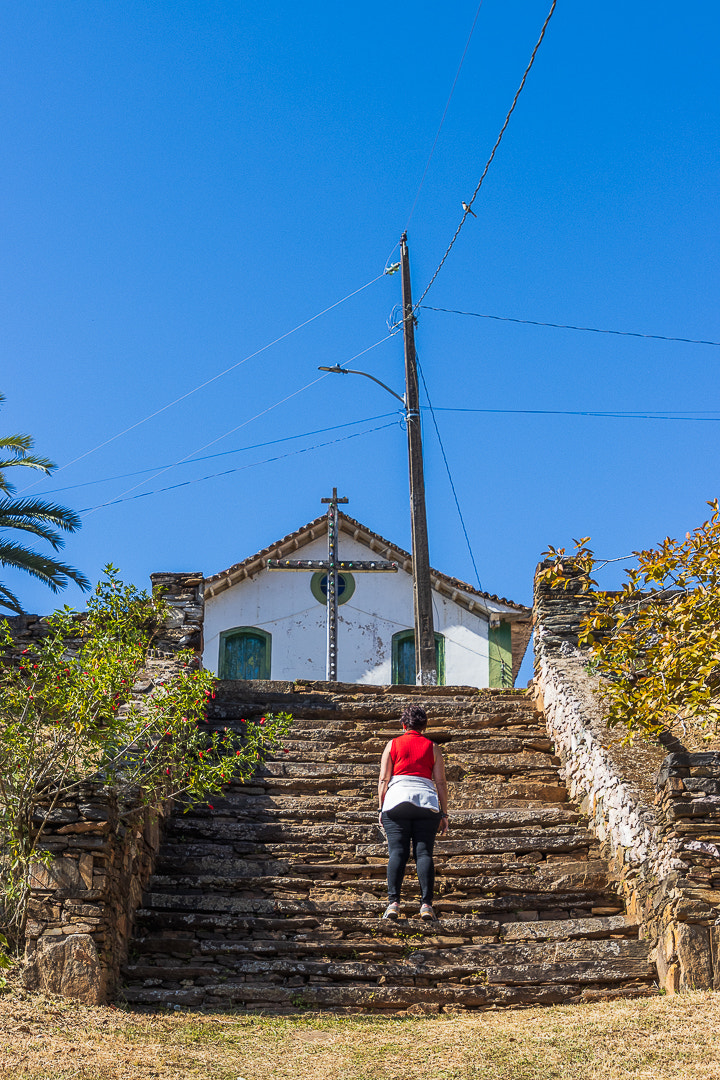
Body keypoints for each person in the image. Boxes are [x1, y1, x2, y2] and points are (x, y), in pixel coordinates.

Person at [377, 703, 449, 921]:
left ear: (403, 725)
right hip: (426, 803)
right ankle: (426, 905)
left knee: (397, 853)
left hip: (396, 801)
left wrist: (381, 807)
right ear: (424, 726)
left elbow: (384, 779)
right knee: (424, 853)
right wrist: (444, 813)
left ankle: (393, 904)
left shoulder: (392, 744)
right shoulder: (432, 747)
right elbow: (441, 782)